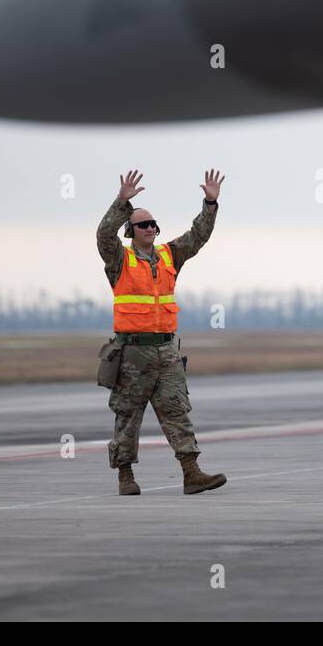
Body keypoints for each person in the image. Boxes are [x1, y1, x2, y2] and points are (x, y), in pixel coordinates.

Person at [96, 168, 228, 496]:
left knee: (177, 409)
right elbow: (102, 235)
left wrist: (210, 204)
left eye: (154, 223)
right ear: (131, 230)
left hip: (166, 351)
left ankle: (191, 472)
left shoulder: (170, 255)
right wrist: (122, 202)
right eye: (143, 224)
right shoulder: (120, 260)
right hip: (132, 353)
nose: (151, 228)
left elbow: (198, 236)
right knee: (128, 415)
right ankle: (125, 476)